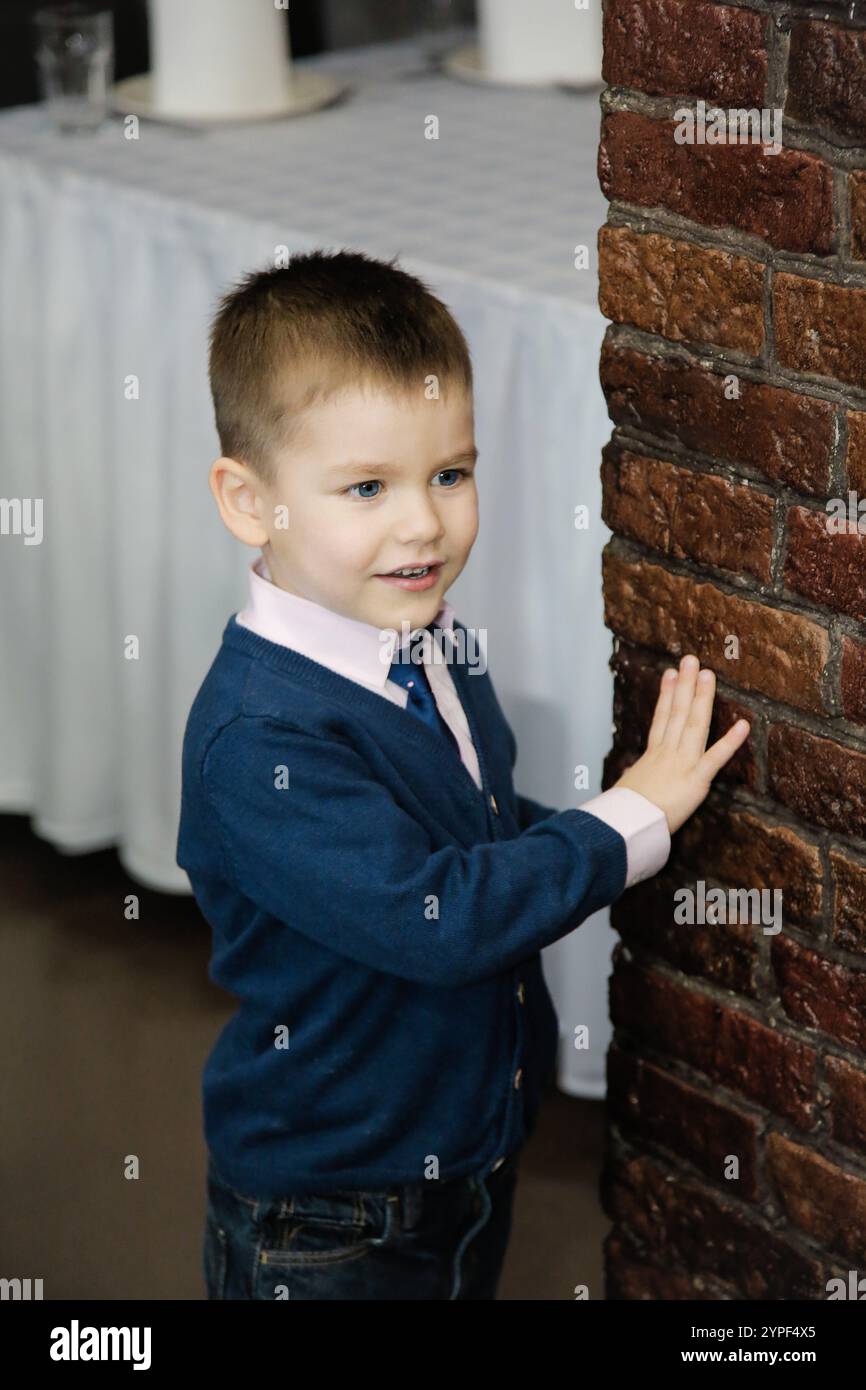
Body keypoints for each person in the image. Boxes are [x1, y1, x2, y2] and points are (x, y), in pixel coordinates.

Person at [176, 248, 750, 1300]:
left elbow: (472, 832)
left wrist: (623, 822)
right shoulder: (259, 741)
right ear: (249, 500)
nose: (422, 523)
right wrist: (627, 820)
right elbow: (437, 914)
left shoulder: (426, 635)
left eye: (449, 472)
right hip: (331, 1206)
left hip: (465, 1153)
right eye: (366, 486)